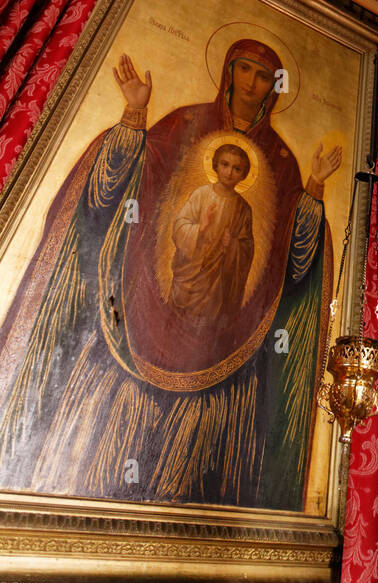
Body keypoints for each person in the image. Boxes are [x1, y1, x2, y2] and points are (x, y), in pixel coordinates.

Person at [0, 37, 341, 510]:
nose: (252, 83)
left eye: (264, 77)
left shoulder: (281, 162)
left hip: (226, 335)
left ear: (274, 89)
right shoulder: (183, 123)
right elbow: (118, 188)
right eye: (245, 70)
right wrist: (135, 116)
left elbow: (294, 263)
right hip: (146, 316)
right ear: (227, 71)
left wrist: (315, 188)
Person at [170, 144, 254, 321]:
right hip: (190, 271)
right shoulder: (201, 194)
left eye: (236, 168)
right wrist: (201, 228)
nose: (229, 172)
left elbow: (247, 249)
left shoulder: (243, 209)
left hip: (216, 281)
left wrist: (232, 245)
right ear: (215, 165)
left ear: (243, 174)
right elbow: (179, 226)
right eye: (224, 164)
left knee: (204, 324)